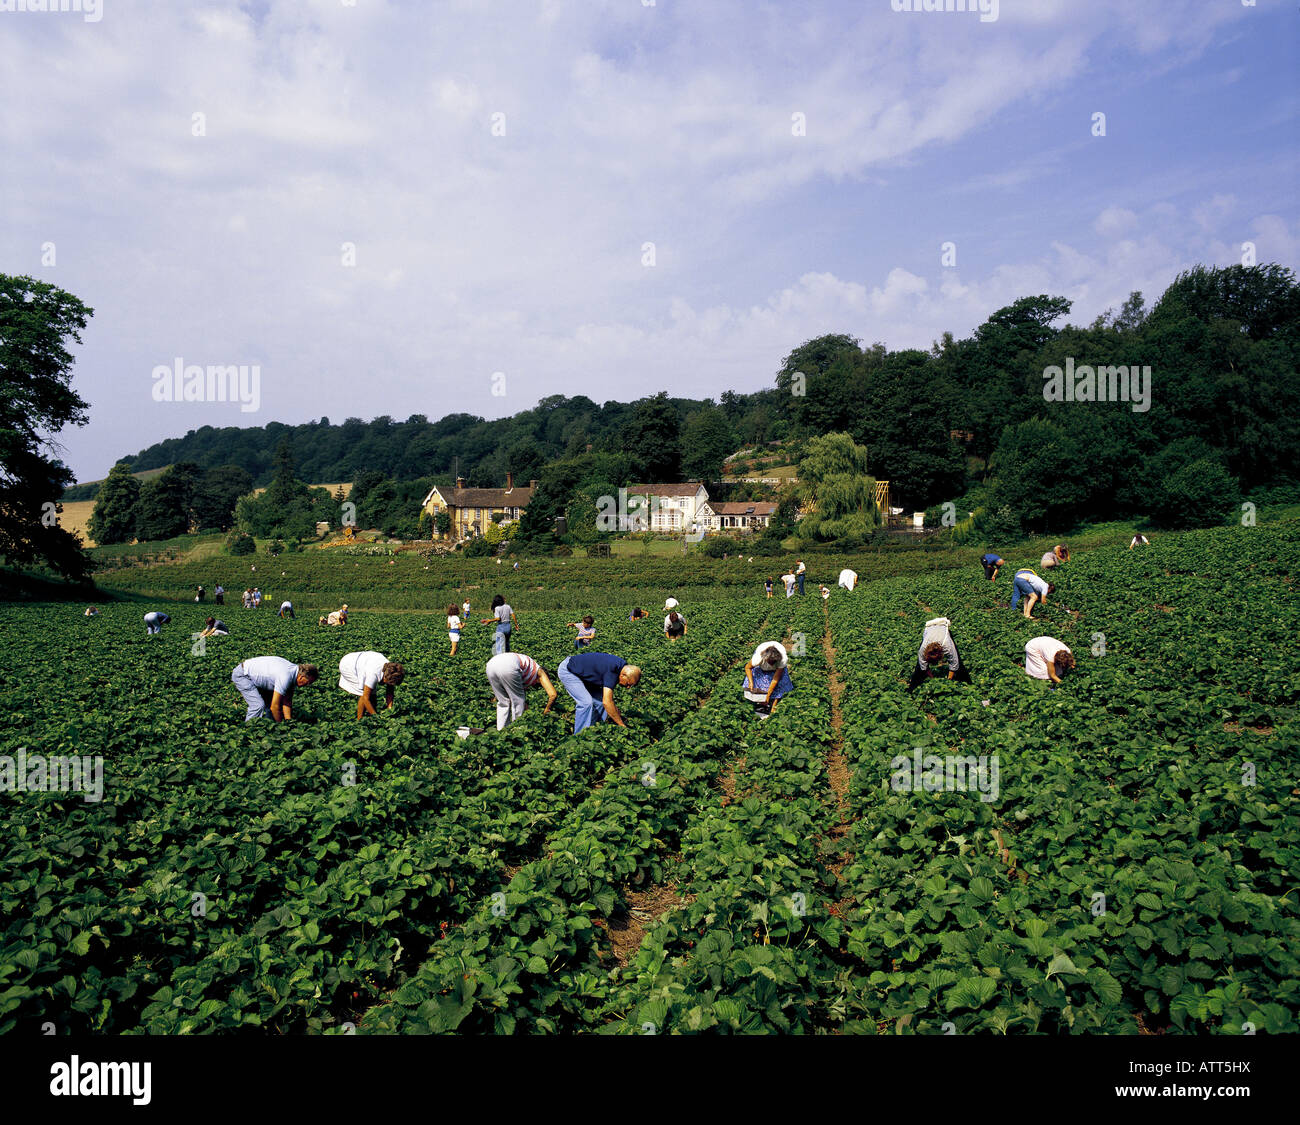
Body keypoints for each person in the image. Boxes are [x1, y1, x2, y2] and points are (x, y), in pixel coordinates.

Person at [556, 651, 641, 733]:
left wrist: (617, 713)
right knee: (586, 703)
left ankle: (594, 730)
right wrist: (621, 725)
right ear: (623, 675)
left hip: (584, 674)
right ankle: (580, 736)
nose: (628, 687)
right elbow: (607, 702)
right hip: (569, 670)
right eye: (628, 684)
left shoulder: (622, 668)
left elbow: (607, 700)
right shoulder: (612, 671)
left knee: (600, 702)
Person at [485, 651, 557, 730]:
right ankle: (517, 730)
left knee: (503, 703)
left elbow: (520, 699)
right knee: (518, 701)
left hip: (491, 665)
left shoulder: (527, 671)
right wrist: (547, 709)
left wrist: (529, 713)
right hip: (509, 665)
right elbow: (553, 695)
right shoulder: (540, 672)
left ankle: (501, 732)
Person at [232, 657, 318, 722]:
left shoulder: (294, 673)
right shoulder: (286, 676)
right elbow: (275, 707)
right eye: (308, 682)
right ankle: (248, 730)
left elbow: (287, 701)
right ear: (301, 677)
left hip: (258, 678)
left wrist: (289, 722)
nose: (307, 685)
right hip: (243, 675)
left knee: (269, 706)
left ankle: (267, 728)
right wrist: (281, 726)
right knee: (258, 705)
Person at [907, 616, 972, 691]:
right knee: (919, 668)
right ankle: (912, 689)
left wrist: (948, 681)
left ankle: (967, 684)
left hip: (943, 628)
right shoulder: (923, 649)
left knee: (958, 662)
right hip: (929, 629)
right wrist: (933, 679)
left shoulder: (947, 646)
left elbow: (954, 663)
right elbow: (923, 665)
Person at [338, 651, 405, 719]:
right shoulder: (373, 674)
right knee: (363, 694)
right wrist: (376, 717)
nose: (385, 684)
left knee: (372, 694)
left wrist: (390, 710)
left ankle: (371, 713)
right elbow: (365, 698)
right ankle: (360, 720)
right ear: (385, 677)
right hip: (348, 665)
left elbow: (390, 691)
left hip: (362, 660)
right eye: (387, 683)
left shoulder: (392, 670)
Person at [742, 642, 794, 718]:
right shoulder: (758, 658)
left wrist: (768, 695)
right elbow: (747, 668)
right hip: (761, 661)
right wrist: (751, 682)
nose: (771, 663)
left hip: (777, 671)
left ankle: (773, 707)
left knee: (780, 683)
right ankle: (760, 703)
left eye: (773, 662)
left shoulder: (782, 659)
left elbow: (775, 679)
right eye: (770, 661)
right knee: (757, 679)